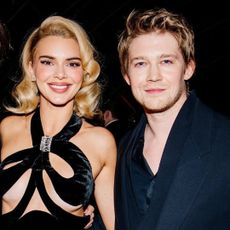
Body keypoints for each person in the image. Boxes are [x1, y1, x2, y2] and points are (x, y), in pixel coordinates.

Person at [114, 8, 230, 230]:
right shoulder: (121, 150)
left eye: (166, 61)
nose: (153, 76)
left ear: (188, 68)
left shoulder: (225, 141)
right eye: (140, 63)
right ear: (127, 76)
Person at [0, 15, 116, 230]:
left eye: (72, 64)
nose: (60, 74)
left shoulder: (101, 141)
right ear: (31, 68)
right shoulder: (6, 128)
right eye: (47, 62)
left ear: (84, 72)